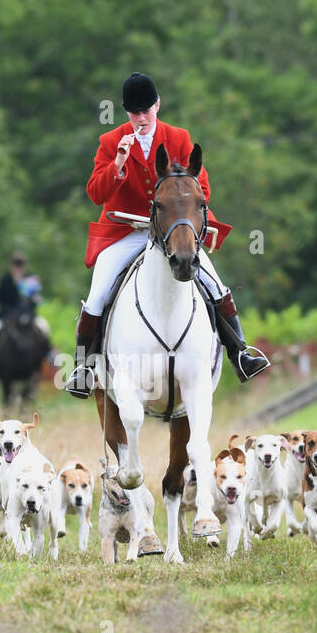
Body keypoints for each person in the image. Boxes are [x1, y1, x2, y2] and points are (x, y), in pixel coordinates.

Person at [67, 72, 269, 398]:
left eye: (147, 110)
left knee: (215, 285)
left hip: (173, 232)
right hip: (127, 231)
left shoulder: (179, 138)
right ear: (126, 112)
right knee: (98, 294)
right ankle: (83, 368)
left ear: (157, 105)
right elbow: (95, 193)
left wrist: (182, 215)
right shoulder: (110, 143)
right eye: (135, 113)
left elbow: (201, 187)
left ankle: (240, 354)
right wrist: (118, 163)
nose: (142, 118)